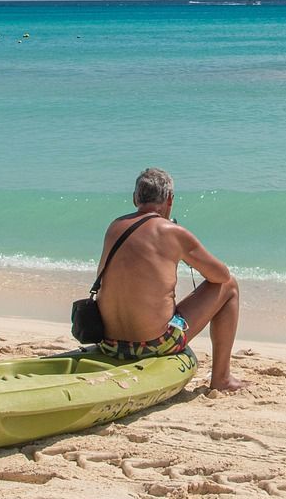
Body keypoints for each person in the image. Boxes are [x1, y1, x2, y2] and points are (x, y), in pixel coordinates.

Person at [94, 167, 244, 392]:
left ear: (135, 198)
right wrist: (183, 252)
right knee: (229, 285)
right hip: (154, 344)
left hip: (109, 343)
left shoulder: (114, 227)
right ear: (170, 199)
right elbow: (220, 275)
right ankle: (222, 379)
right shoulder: (171, 232)